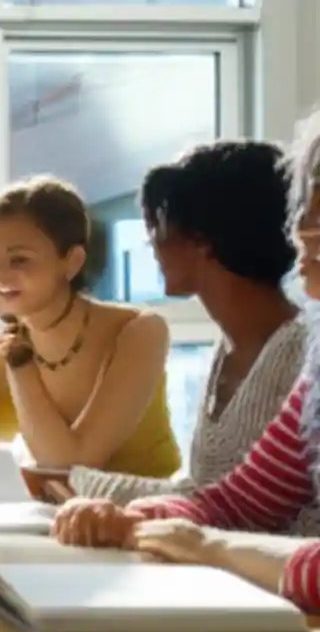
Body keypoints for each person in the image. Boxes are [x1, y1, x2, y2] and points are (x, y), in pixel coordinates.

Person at [52, 109, 320, 612]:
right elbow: (235, 501)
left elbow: (236, 529)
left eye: (317, 232)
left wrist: (209, 545)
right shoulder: (315, 373)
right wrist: (143, 519)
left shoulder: (293, 347)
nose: (301, 239)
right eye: (302, 219)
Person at [0, 175, 180, 478]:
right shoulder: (3, 357)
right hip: (44, 522)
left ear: (72, 261)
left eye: (19, 260)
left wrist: (20, 367)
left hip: (143, 518)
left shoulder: (140, 332)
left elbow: (72, 465)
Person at [69, 141, 305, 505]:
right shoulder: (226, 349)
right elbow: (206, 493)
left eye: (161, 226)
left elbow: (235, 507)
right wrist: (71, 483)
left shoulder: (300, 356)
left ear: (204, 240)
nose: (152, 243)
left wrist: (76, 484)